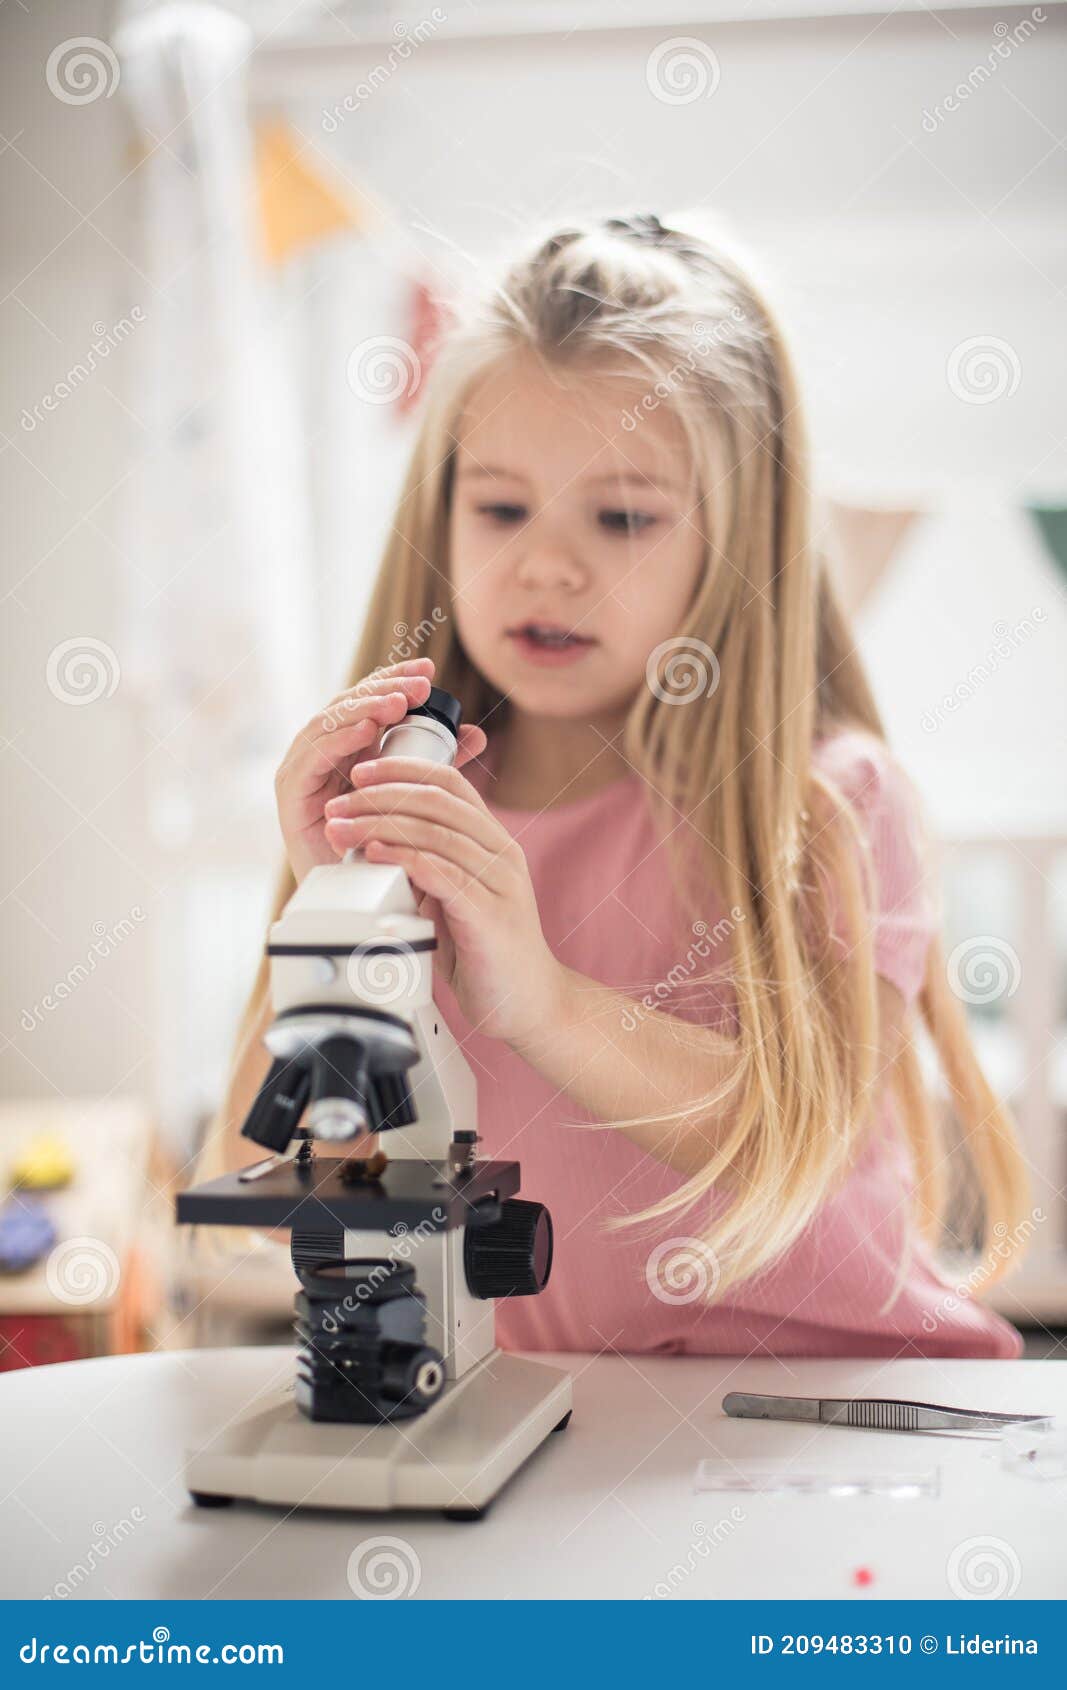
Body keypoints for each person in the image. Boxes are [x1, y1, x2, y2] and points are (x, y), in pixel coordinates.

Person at [197, 211, 1029, 1358]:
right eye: (498, 507)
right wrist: (324, 897)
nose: (547, 564)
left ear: (738, 538)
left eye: (623, 515)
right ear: (439, 515)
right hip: (555, 1427)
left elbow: (792, 1138)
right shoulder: (406, 818)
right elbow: (271, 1181)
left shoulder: (833, 806)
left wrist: (537, 995)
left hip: (827, 1415)